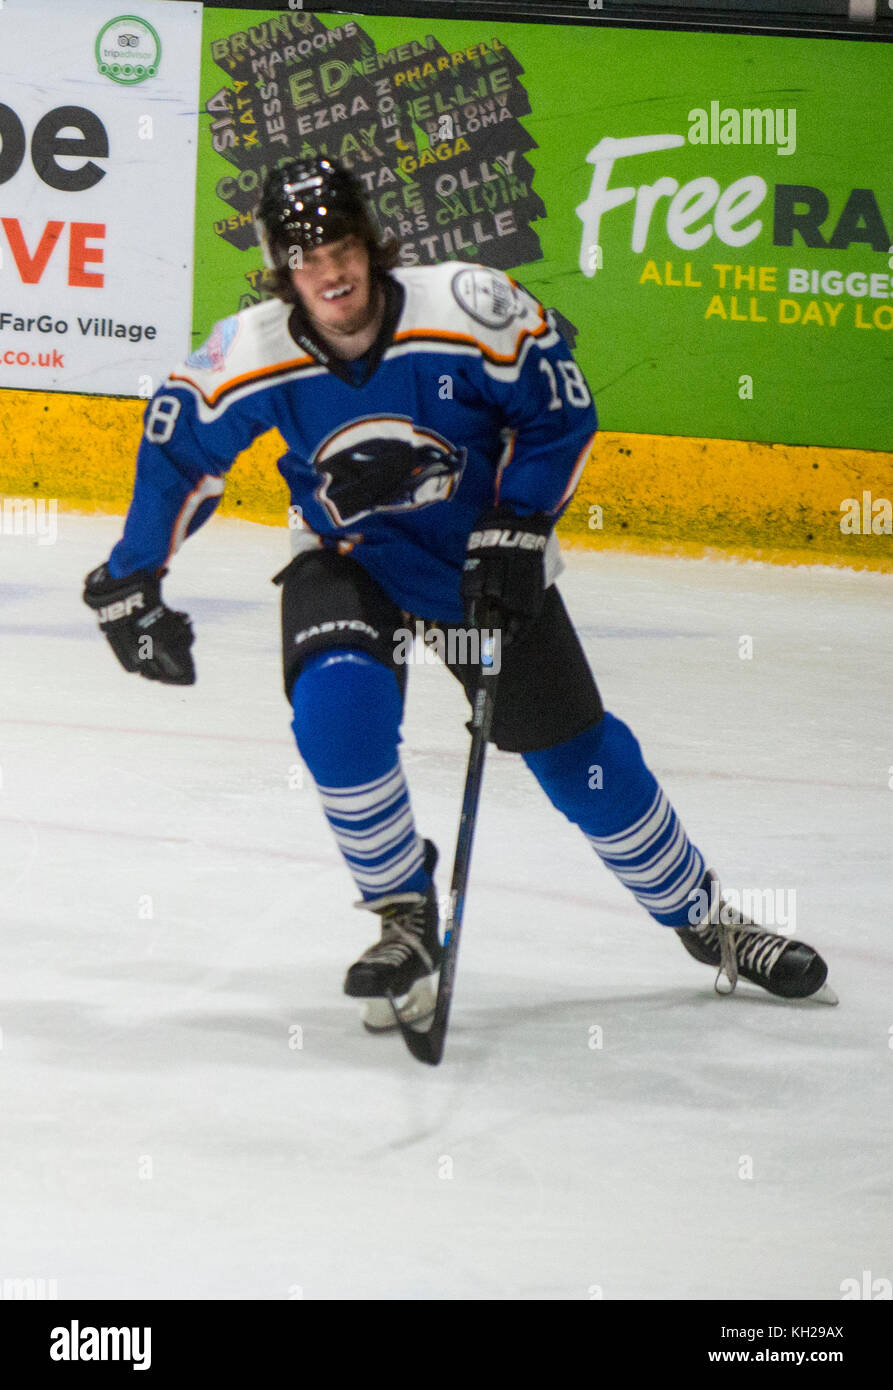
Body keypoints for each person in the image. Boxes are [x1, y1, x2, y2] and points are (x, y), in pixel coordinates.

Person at [83, 156, 836, 1034]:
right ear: (281, 271)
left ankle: (707, 922)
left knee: (582, 765)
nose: (329, 270)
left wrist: (519, 523)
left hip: (478, 564)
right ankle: (404, 916)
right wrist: (131, 579)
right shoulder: (252, 352)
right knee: (335, 709)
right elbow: (180, 455)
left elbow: (557, 413)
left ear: (369, 243)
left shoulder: (468, 307)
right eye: (305, 256)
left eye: (340, 245)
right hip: (351, 559)